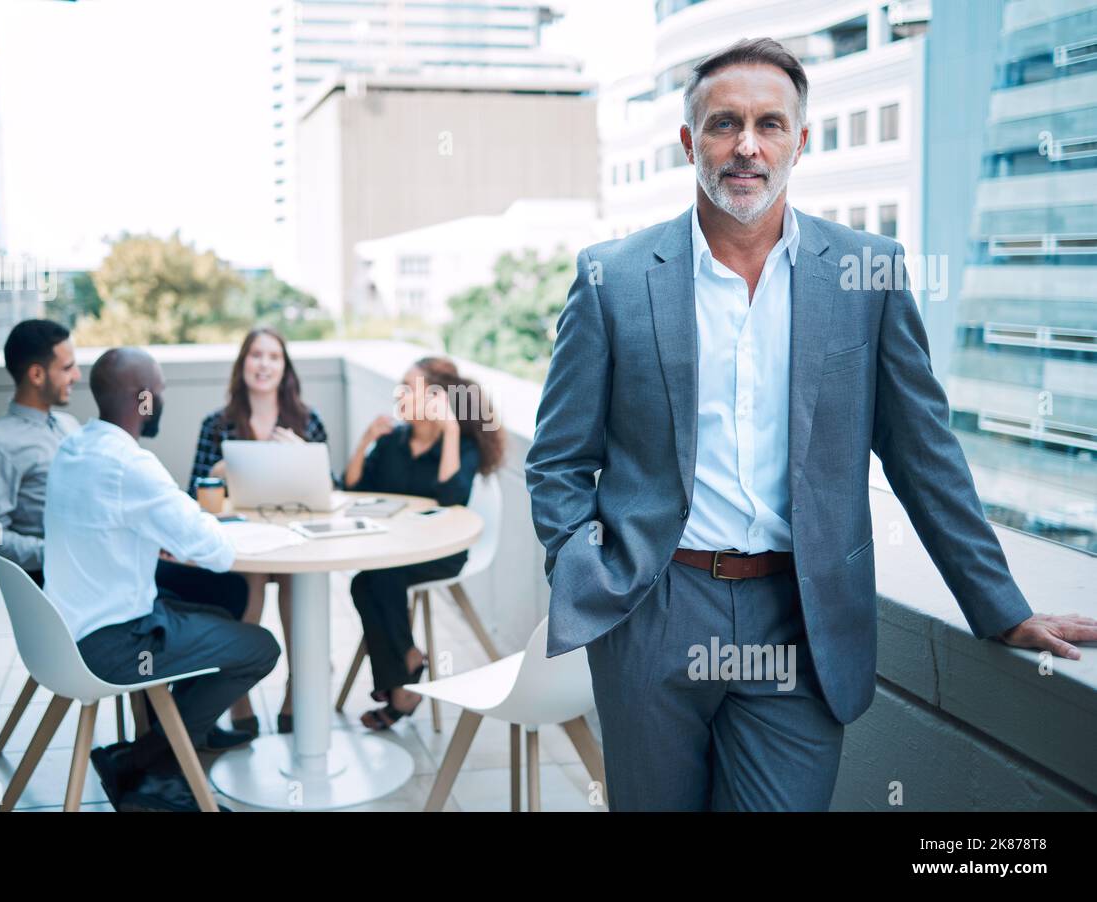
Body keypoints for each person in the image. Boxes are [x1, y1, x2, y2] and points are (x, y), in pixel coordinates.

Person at [525, 37, 1097, 812]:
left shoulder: (868, 272)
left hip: (800, 619)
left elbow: (922, 454)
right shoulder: (612, 279)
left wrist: (1002, 606)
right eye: (724, 124)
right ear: (691, 143)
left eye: (770, 123)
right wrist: (583, 566)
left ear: (803, 139)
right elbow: (558, 458)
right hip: (653, 609)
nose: (747, 146)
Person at [44, 347, 280, 812]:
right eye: (162, 392)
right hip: (113, 644)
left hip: (63, 633)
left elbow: (118, 523)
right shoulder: (132, 465)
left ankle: (157, 747)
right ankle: (154, 766)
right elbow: (214, 551)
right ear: (144, 399)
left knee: (220, 605)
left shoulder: (74, 447)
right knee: (260, 647)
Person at [342, 357, 505, 731]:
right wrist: (366, 442)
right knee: (365, 580)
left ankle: (397, 685)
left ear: (435, 396)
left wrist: (449, 429)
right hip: (392, 550)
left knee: (377, 580)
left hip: (441, 553)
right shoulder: (393, 441)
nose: (399, 394)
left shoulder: (462, 446)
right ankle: (408, 663)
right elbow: (351, 490)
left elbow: (451, 499)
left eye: (408, 387)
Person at [187, 326, 329, 735]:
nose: (264, 364)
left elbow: (331, 486)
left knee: (295, 584)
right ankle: (239, 695)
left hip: (293, 540)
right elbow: (193, 496)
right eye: (255, 355)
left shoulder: (306, 421)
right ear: (242, 364)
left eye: (273, 357)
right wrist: (220, 470)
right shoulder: (217, 425)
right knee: (248, 585)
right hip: (242, 542)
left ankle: (296, 688)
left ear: (285, 369)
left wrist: (305, 457)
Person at [0, 319, 81, 586]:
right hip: (58, 583)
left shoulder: (69, 425)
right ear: (37, 375)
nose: (77, 375)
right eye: (67, 368)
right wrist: (60, 552)